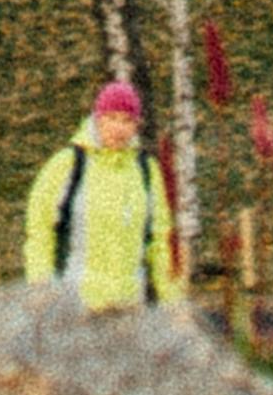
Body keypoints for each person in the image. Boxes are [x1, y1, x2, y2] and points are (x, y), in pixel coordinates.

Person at [21, 77, 180, 308]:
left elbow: (161, 241)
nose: (118, 128)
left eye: (127, 120)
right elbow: (40, 231)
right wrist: (40, 287)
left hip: (129, 309)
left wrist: (173, 302)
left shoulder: (147, 170)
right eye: (111, 118)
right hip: (74, 308)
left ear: (137, 125)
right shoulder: (67, 164)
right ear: (97, 119)